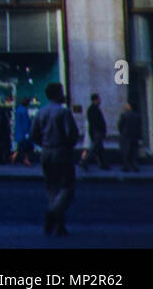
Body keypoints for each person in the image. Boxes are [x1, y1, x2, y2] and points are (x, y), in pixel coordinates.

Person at [29, 81, 81, 236]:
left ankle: (59, 226)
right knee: (67, 188)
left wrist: (44, 144)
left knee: (51, 188)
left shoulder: (41, 112)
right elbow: (71, 134)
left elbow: (34, 134)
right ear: (59, 94)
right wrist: (68, 146)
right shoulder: (63, 112)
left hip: (45, 151)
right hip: (61, 151)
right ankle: (53, 214)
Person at [80, 93, 109, 171]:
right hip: (97, 132)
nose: (100, 100)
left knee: (100, 149)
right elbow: (96, 122)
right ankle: (84, 161)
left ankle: (103, 164)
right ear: (95, 100)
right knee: (93, 148)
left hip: (96, 132)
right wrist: (100, 131)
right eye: (99, 99)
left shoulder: (93, 108)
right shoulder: (93, 109)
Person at [117, 101, 141, 173]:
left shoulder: (124, 115)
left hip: (125, 135)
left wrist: (122, 132)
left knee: (125, 151)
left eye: (127, 105)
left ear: (130, 107)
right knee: (133, 151)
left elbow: (120, 125)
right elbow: (139, 126)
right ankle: (134, 165)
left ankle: (126, 166)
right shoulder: (138, 115)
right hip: (134, 135)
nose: (126, 106)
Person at [11, 97, 34, 166]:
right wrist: (27, 132)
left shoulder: (18, 109)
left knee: (20, 147)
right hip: (24, 133)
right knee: (26, 147)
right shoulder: (24, 111)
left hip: (18, 131)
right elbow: (25, 123)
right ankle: (25, 160)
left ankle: (16, 156)